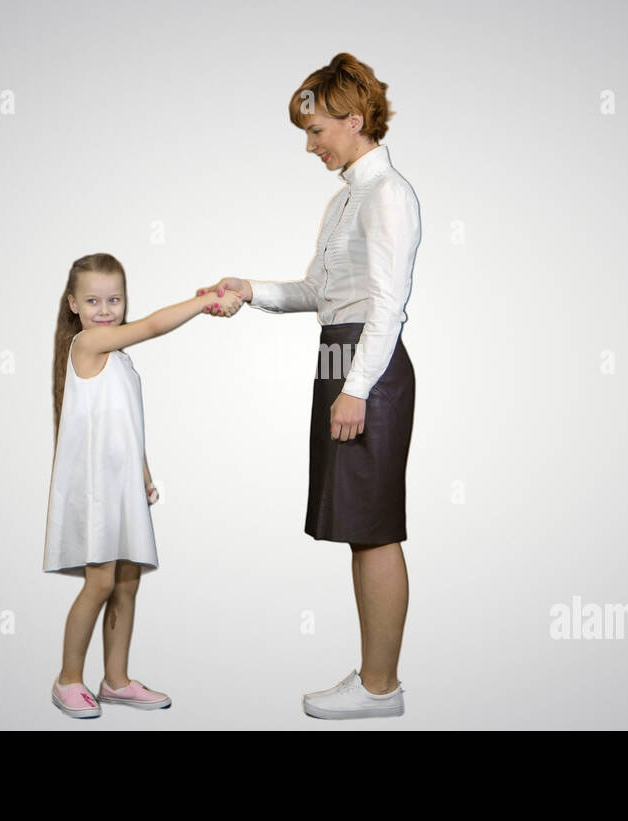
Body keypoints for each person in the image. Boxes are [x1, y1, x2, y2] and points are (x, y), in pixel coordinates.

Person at [198, 53, 420, 719]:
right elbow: (321, 292)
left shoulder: (389, 195)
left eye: (317, 129)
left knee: (376, 527)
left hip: (366, 368)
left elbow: (388, 305)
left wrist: (355, 388)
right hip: (340, 359)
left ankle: (382, 687)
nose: (309, 144)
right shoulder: (346, 196)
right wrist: (249, 290)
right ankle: (373, 676)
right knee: (359, 526)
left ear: (354, 121)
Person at [45, 252, 241, 718]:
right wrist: (205, 302)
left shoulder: (118, 358)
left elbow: (125, 423)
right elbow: (153, 325)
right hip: (96, 487)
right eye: (92, 300)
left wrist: (144, 474)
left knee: (127, 582)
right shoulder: (87, 344)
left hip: (123, 484)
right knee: (100, 581)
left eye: (114, 298)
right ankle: (67, 679)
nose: (105, 308)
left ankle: (116, 680)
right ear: (73, 303)